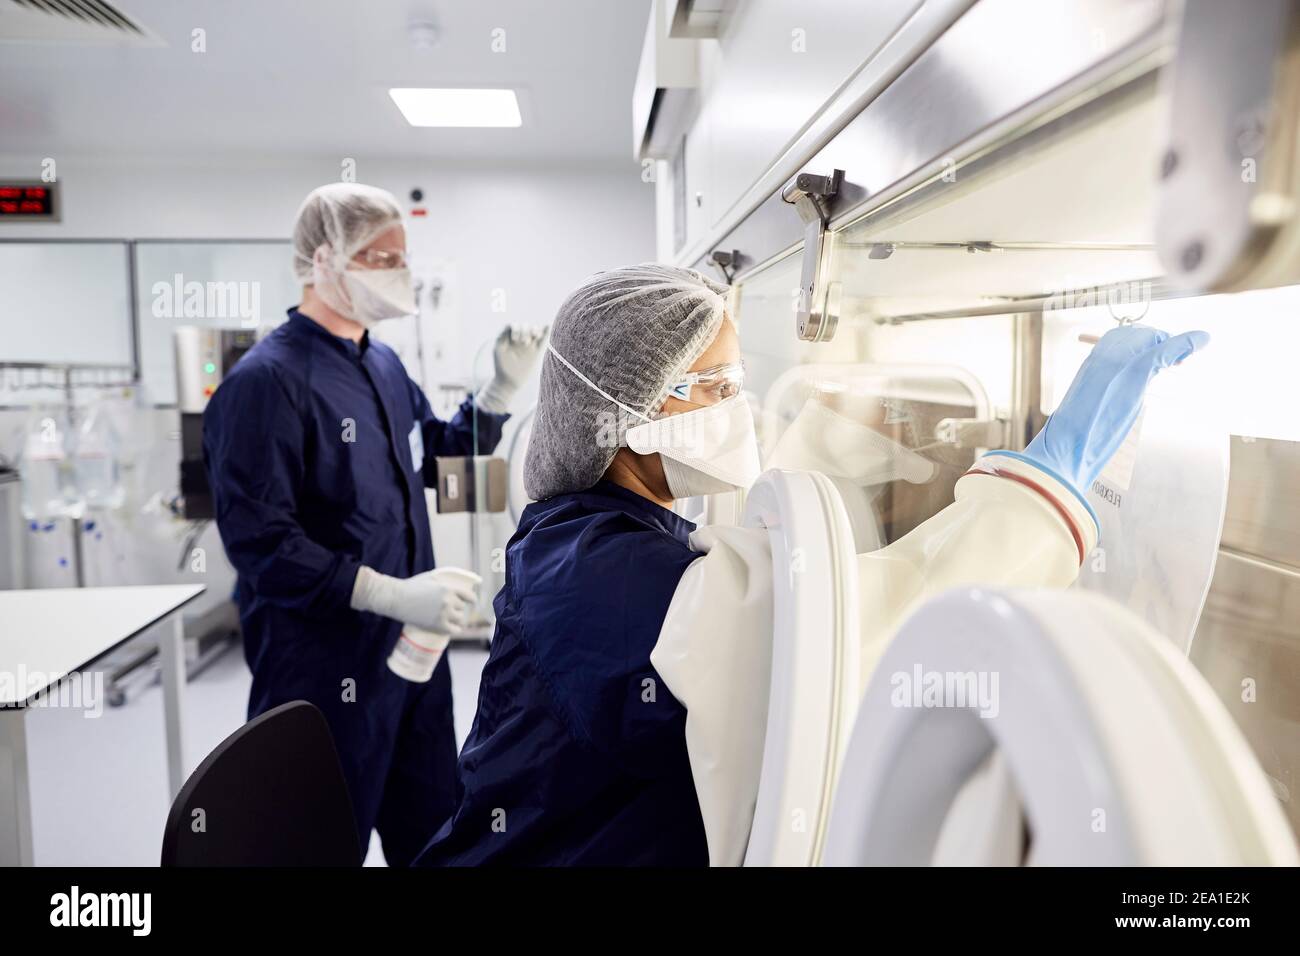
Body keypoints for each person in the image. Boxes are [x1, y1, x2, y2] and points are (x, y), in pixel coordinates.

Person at [414, 263, 1207, 866]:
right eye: (714, 385)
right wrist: (1046, 485)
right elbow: (832, 641)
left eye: (739, 381)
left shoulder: (601, 528)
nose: (737, 407)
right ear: (629, 412)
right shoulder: (594, 576)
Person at [203, 182, 544, 865]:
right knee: (316, 839)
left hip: (412, 658)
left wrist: (499, 391)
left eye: (402, 256)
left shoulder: (382, 364)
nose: (400, 271)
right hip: (319, 665)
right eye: (381, 257)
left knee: (435, 828)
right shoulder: (265, 383)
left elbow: (440, 452)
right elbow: (260, 544)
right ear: (324, 260)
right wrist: (384, 592)